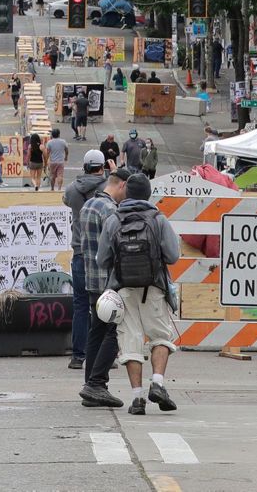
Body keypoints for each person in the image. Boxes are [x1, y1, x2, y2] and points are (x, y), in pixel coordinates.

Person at [96, 172, 180, 415]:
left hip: (123, 290)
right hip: (154, 287)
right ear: (148, 194)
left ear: (127, 193)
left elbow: (102, 260)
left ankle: (137, 399)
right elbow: (173, 256)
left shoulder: (114, 220)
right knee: (161, 337)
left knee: (130, 342)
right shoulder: (158, 219)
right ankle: (158, 383)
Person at [78, 166, 132, 409]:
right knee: (114, 331)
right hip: (108, 283)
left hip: (90, 279)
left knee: (96, 332)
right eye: (127, 189)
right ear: (121, 184)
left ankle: (90, 384)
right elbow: (115, 249)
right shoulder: (111, 210)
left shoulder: (88, 205)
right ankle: (97, 384)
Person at [63, 150, 108, 370]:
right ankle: (104, 354)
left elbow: (65, 200)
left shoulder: (72, 189)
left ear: (84, 166)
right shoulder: (107, 189)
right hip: (102, 255)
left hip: (80, 254)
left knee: (81, 305)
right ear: (102, 167)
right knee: (106, 305)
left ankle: (78, 356)